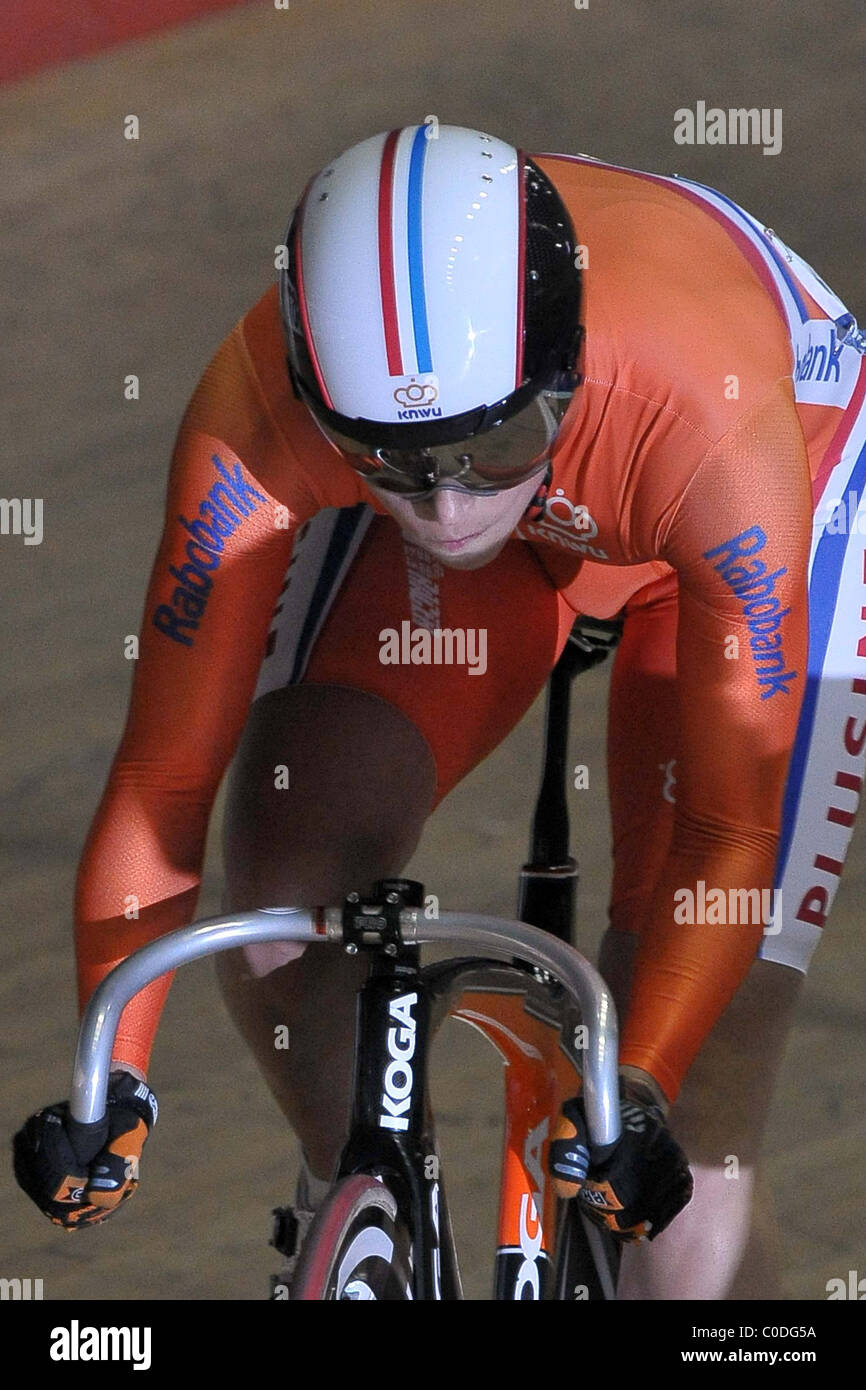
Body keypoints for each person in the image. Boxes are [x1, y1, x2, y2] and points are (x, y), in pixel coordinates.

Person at [13, 124, 866, 1300]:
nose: (450, 509)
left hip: (741, 499)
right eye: (392, 460)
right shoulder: (261, 405)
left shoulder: (710, 425)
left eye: (490, 447)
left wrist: (647, 1080)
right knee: (280, 882)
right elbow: (164, 781)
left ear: (558, 372)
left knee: (685, 1174)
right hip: (545, 522)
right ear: (322, 403)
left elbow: (730, 839)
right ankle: (350, 1212)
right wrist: (116, 1081)